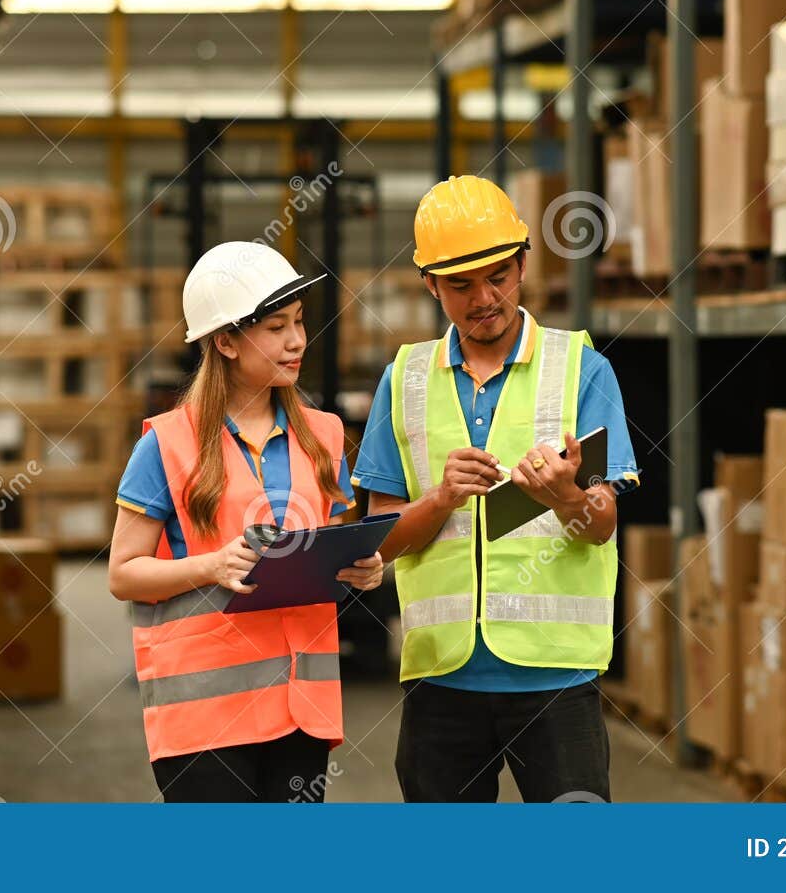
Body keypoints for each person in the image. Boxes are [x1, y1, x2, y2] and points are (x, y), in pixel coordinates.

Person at [351, 175, 640, 802]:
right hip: (442, 679)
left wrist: (566, 496)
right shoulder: (404, 381)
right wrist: (440, 499)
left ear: (524, 265)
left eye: (499, 276)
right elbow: (380, 543)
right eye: (460, 285)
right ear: (429, 283)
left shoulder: (582, 368)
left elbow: (603, 521)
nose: (484, 298)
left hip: (557, 679)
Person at [108, 240, 384, 803]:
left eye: (300, 323)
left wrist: (365, 568)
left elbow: (330, 550)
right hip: (204, 717)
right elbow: (122, 574)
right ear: (226, 341)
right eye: (276, 327)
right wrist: (212, 565)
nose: (296, 341)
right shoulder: (167, 444)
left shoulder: (325, 436)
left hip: (300, 706)